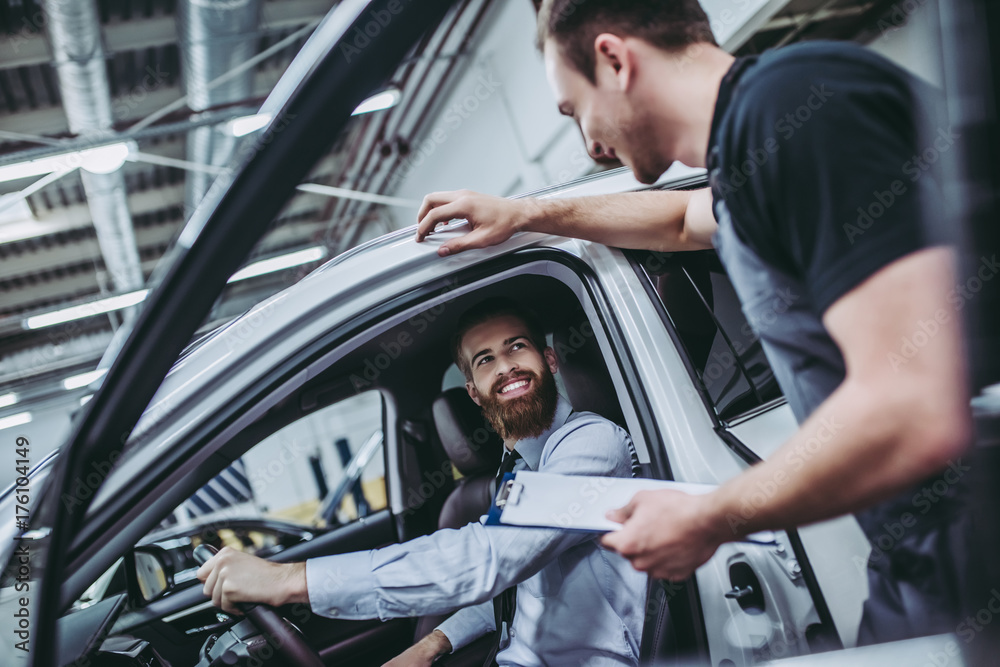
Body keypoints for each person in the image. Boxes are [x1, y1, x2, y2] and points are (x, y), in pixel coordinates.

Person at [414, 0, 972, 646]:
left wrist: (710, 516)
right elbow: (679, 221)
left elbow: (910, 411)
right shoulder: (752, 150)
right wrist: (524, 213)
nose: (590, 143)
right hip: (919, 553)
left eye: (574, 111)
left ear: (615, 60)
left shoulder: (799, 108)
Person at [197, 297, 648, 666]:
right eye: (486, 359)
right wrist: (434, 643)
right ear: (473, 391)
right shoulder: (519, 470)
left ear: (548, 359)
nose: (505, 367)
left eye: (517, 347)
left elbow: (488, 558)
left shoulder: (592, 445)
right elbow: (512, 587)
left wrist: (289, 580)